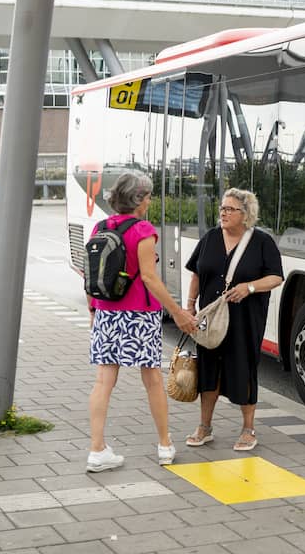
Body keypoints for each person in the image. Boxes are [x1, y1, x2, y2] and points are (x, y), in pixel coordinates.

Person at [86, 173, 197, 472]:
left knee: (103, 381)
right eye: (147, 196)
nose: (149, 201)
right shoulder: (143, 230)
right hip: (139, 315)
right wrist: (177, 311)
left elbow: (91, 274)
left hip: (106, 313)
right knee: (153, 380)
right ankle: (164, 445)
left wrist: (93, 311)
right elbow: (149, 277)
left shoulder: (100, 227)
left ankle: (97, 450)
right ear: (138, 200)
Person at [183, 188, 284, 452]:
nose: (223, 213)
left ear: (246, 213)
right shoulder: (210, 238)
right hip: (210, 317)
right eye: (222, 209)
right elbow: (196, 274)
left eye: (230, 209)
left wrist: (249, 287)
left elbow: (276, 277)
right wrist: (190, 306)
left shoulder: (262, 242)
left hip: (244, 319)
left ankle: (248, 429)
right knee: (208, 368)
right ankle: (205, 426)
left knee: (244, 368)